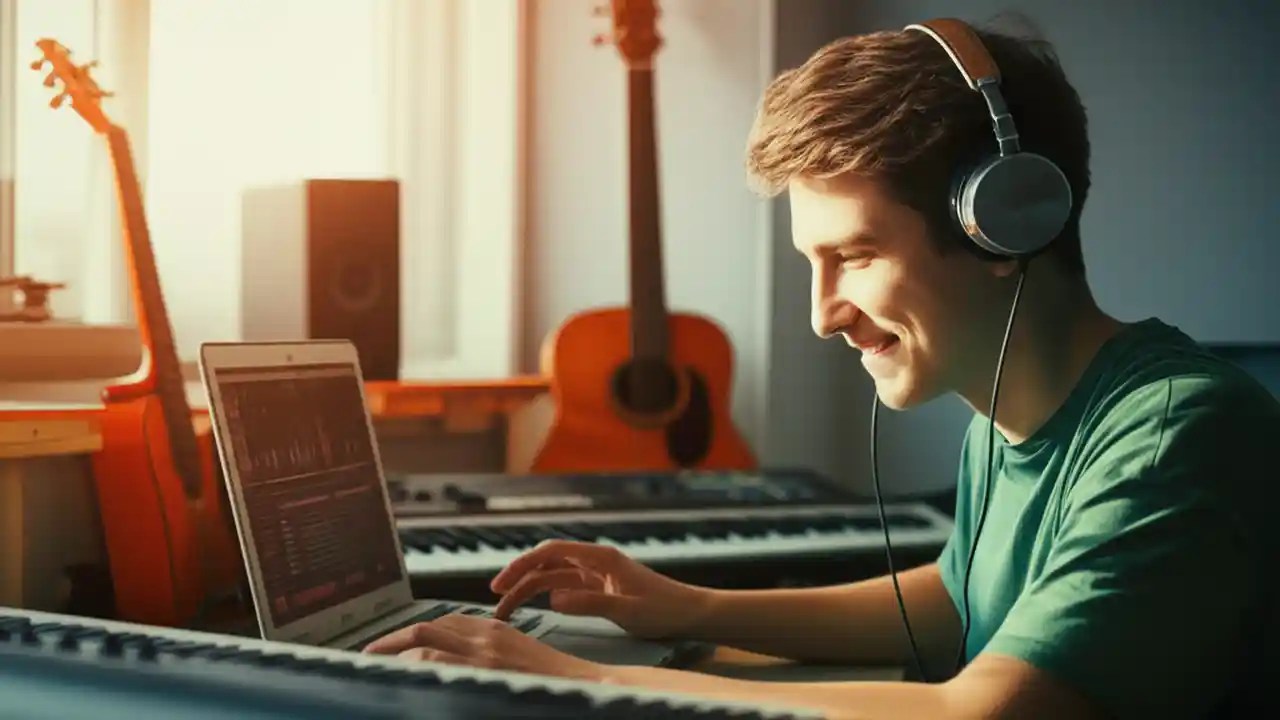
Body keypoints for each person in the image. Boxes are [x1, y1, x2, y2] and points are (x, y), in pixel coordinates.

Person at [363, 17, 1278, 720]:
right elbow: (959, 602)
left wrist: (586, 679)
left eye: (859, 255)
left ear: (1005, 225)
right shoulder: (1008, 413)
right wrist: (689, 607)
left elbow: (981, 709)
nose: (821, 313)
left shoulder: (1171, 436)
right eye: (812, 263)